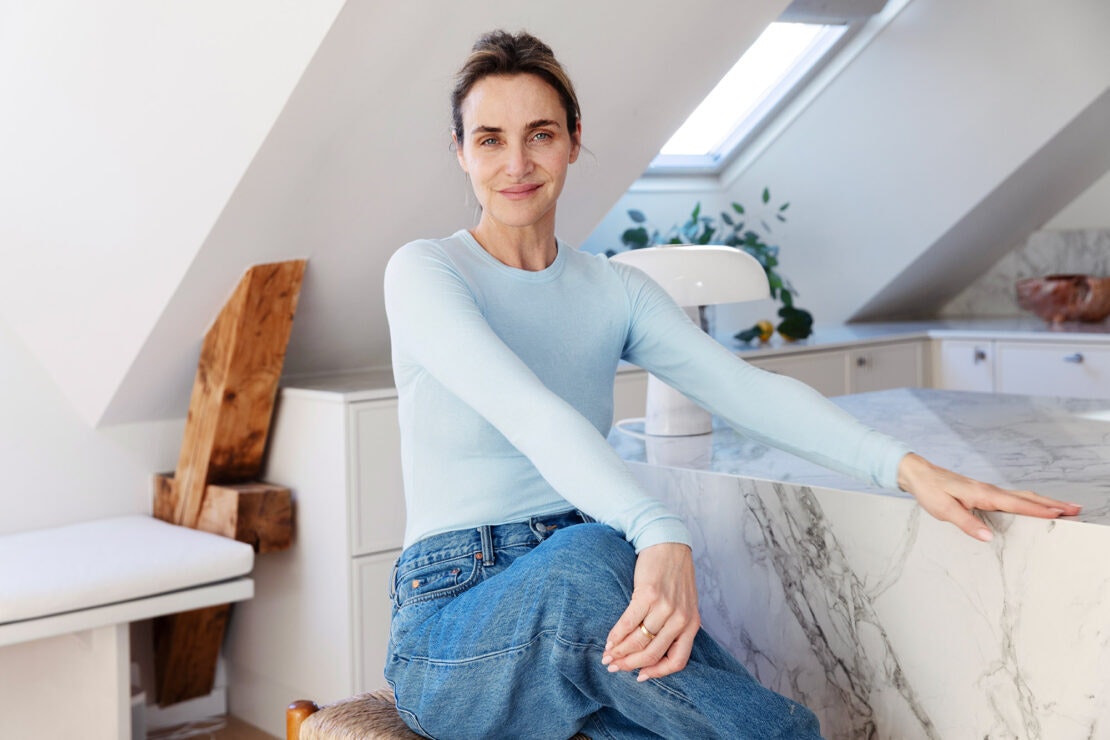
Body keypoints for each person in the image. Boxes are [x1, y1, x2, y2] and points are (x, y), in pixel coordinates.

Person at [381, 29, 1080, 740]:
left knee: (619, 596)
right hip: (453, 634)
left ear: (573, 140)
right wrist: (658, 530)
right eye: (491, 139)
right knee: (595, 554)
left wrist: (909, 470)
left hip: (597, 613)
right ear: (462, 151)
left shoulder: (616, 290)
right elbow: (527, 413)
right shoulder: (425, 272)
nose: (517, 162)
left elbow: (748, 393)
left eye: (540, 134)